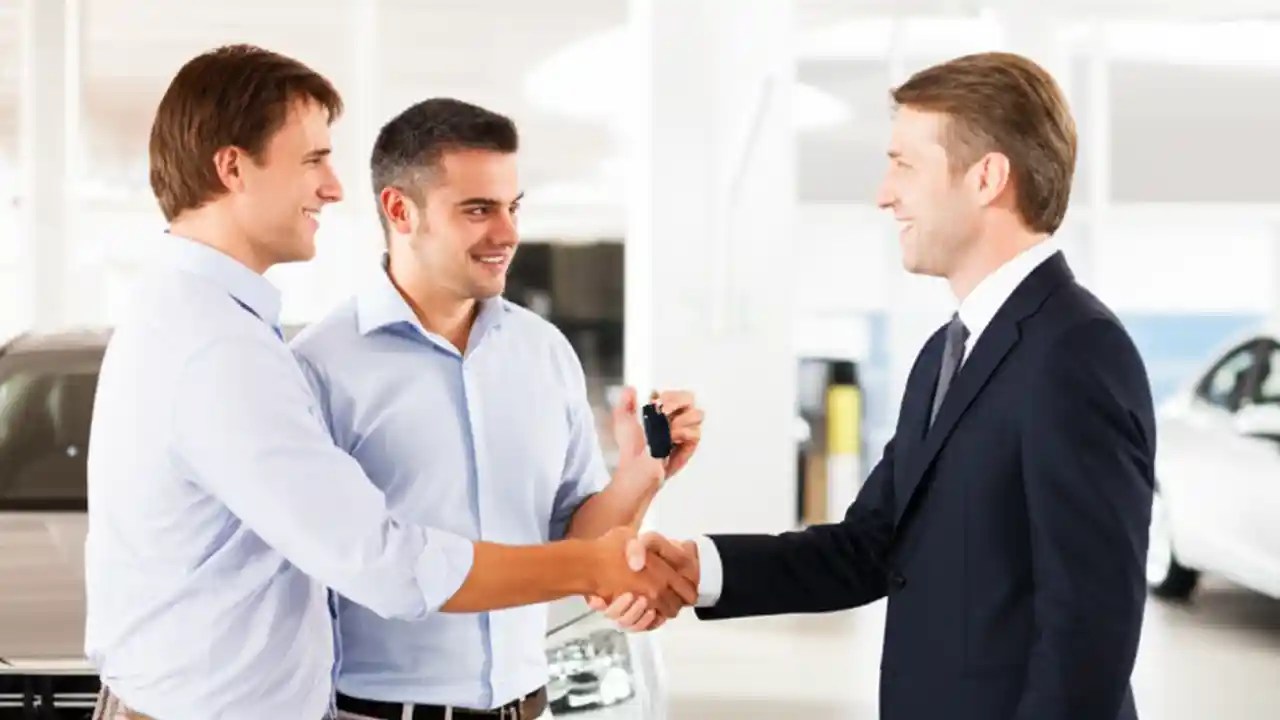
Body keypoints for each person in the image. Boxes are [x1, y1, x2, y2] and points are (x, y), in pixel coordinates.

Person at [85, 46, 692, 720]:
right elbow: (385, 562)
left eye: (513, 205)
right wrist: (592, 568)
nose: (332, 187)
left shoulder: (207, 321)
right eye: (312, 159)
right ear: (233, 168)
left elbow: (569, 533)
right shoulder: (235, 351)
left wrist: (633, 488)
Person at [601, 52, 1156, 720]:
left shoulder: (1075, 351)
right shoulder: (946, 354)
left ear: (986, 178)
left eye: (904, 164)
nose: (883, 193)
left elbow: (1089, 633)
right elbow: (873, 546)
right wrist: (699, 568)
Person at [290, 97, 704, 720]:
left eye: (512, 207)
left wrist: (638, 474)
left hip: (528, 708)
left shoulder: (544, 354)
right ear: (400, 211)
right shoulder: (319, 367)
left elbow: (579, 546)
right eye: (478, 210)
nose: (508, 234)